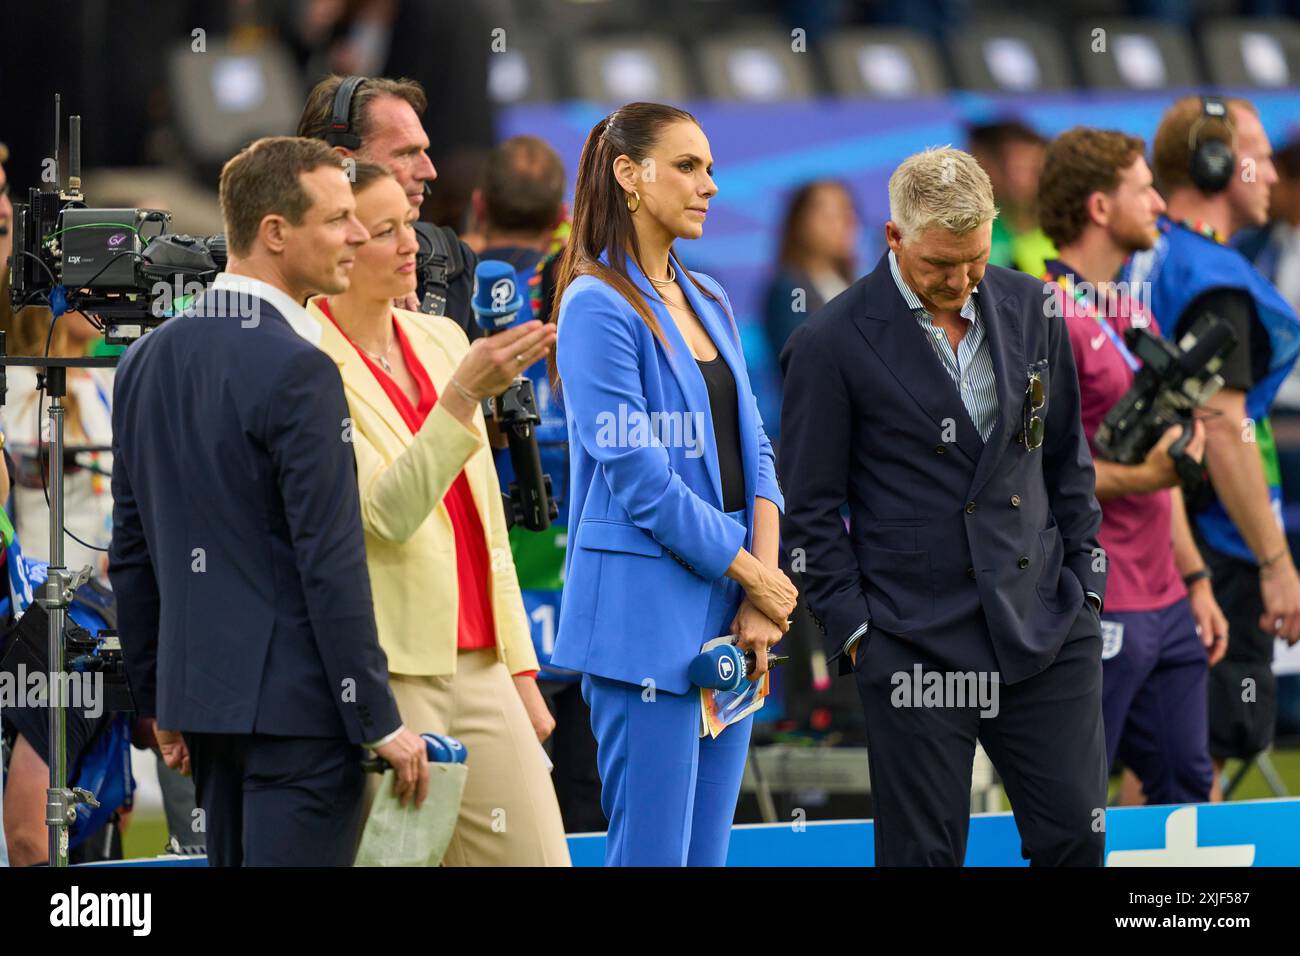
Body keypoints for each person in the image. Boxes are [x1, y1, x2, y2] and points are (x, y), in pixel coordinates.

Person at [781, 147, 1108, 867]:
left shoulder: (1034, 306)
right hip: (912, 642)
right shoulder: (828, 343)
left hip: (1046, 629)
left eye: (975, 260)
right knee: (923, 858)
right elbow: (808, 514)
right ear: (894, 238)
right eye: (938, 266)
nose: (960, 282)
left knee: (1076, 843)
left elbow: (1065, 462)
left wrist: (1086, 587)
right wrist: (860, 635)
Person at [109, 136, 428, 867]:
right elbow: (330, 559)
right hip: (302, 717)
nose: (357, 235)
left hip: (207, 711)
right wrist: (376, 719)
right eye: (338, 218)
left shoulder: (143, 361)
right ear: (275, 233)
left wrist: (160, 700)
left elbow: (133, 552)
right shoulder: (300, 368)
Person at [303, 161, 570, 865]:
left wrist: (521, 673)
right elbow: (384, 515)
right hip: (391, 670)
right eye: (386, 231)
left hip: (484, 664)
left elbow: (487, 528)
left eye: (409, 227)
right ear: (341, 244)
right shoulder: (307, 358)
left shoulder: (443, 340)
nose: (412, 246)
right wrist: (460, 400)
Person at [552, 102, 794, 866]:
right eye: (687, 166)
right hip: (641, 621)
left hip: (733, 608)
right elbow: (638, 478)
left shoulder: (712, 296)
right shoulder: (594, 303)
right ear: (629, 174)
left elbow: (757, 445)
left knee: (705, 858)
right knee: (654, 857)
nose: (710, 186)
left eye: (712, 168)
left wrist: (760, 589)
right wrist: (753, 571)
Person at [1038, 126, 1227, 805]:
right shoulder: (1046, 314)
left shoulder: (1131, 307)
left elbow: (1162, 469)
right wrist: (1147, 476)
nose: (1159, 203)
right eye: (1144, 188)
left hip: (1168, 601)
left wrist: (1197, 579)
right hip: (1098, 599)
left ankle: (1169, 918)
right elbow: (1032, 474)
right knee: (1076, 801)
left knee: (1188, 791)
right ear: (1098, 207)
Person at [1123, 96, 1300, 796]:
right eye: (1254, 153)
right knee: (1191, 763)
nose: (1270, 174)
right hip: (1214, 545)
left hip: (1159, 532)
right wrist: (1276, 561)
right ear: (1217, 164)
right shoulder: (1212, 278)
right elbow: (1227, 432)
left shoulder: (1154, 255)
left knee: (1161, 757)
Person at [474, 136, 605, 832]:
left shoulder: (433, 299)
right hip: (585, 607)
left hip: (486, 622)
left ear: (475, 208)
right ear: (561, 212)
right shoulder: (600, 299)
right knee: (588, 807)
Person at [297, 74, 480, 338]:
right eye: (406, 154)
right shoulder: (276, 271)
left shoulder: (455, 262)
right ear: (344, 164)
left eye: (424, 151)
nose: (429, 172)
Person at [763, 179, 859, 365]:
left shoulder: (852, 286)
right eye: (829, 214)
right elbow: (800, 356)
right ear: (800, 224)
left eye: (847, 211)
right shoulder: (792, 290)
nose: (845, 222)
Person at [968, 122, 1057, 276]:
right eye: (1021, 167)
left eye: (1037, 167)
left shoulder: (1065, 237)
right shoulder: (969, 236)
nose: (1033, 177)